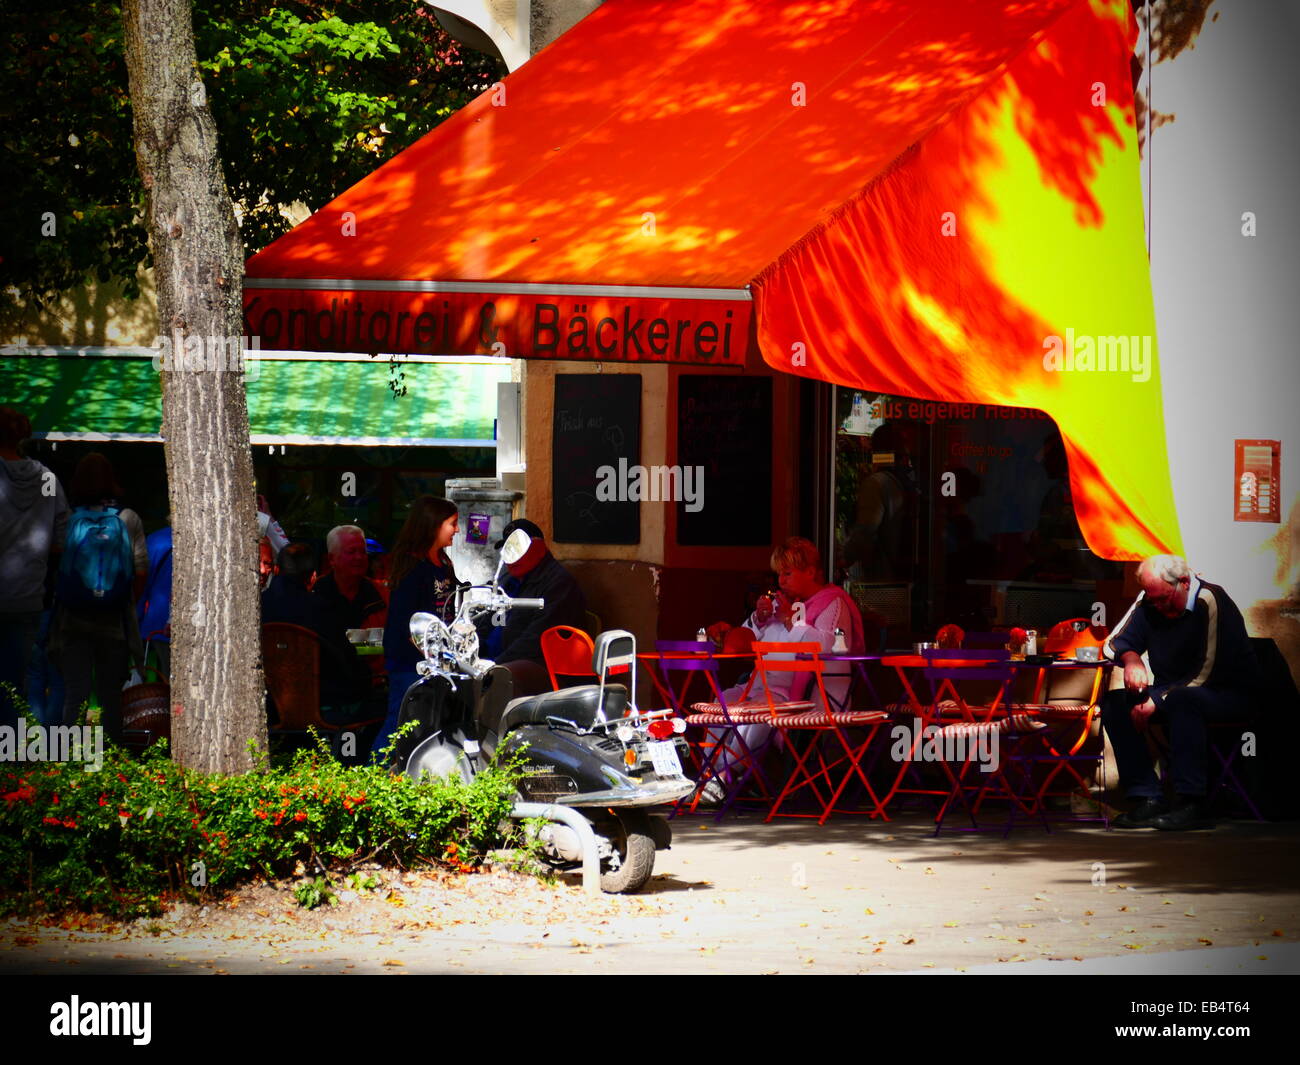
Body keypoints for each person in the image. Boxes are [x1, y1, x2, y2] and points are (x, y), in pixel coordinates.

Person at [1101, 554, 1260, 831]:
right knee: (1115, 702)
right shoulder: (1151, 599)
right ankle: (1147, 797)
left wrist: (1157, 700)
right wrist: (1131, 659)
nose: (1159, 606)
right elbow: (1112, 643)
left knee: (1184, 699)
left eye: (1164, 598)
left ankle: (1191, 802)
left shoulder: (1210, 601)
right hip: (1173, 692)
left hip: (1225, 692)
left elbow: (1208, 672)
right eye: (1154, 600)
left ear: (1184, 582)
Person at [701, 538, 869, 799]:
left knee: (758, 712)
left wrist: (792, 621)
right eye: (779, 574)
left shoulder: (832, 602)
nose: (781, 580)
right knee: (724, 702)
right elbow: (747, 641)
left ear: (811, 572)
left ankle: (724, 777)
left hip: (815, 695)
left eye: (788, 573)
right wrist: (758, 619)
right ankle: (707, 776)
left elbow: (831, 645)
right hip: (765, 686)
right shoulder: (783, 603)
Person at [48, 452, 148, 742]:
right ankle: (112, 758)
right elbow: (141, 569)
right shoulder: (128, 518)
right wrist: (122, 599)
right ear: (112, 480)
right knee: (110, 695)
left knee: (75, 692)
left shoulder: (68, 519)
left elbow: (55, 558)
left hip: (72, 618)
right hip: (114, 619)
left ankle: (69, 756)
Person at [375, 497, 462, 758]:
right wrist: (426, 653)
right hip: (409, 662)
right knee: (400, 722)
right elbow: (407, 622)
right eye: (452, 524)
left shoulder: (444, 564)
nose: (457, 530)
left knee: (430, 723)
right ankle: (371, 773)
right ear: (433, 525)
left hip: (436, 661)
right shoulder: (413, 568)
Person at [0, 407, 70, 732]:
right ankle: (14, 760)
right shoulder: (45, 480)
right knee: (17, 683)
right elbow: (61, 537)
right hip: (29, 596)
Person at [261, 542, 372, 717]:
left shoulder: (257, 606)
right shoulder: (322, 610)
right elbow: (348, 660)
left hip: (270, 704)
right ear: (313, 577)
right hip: (323, 705)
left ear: (276, 570)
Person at [491, 519, 588, 697]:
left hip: (544, 665)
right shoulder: (506, 580)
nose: (513, 556)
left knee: (500, 677)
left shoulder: (559, 583)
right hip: (501, 657)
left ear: (537, 547)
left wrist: (494, 664)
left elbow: (535, 639)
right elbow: (486, 618)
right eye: (509, 549)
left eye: (518, 548)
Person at [314, 524, 387, 632]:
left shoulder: (383, 597)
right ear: (331, 559)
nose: (359, 557)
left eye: (363, 552)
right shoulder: (313, 594)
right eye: (351, 552)